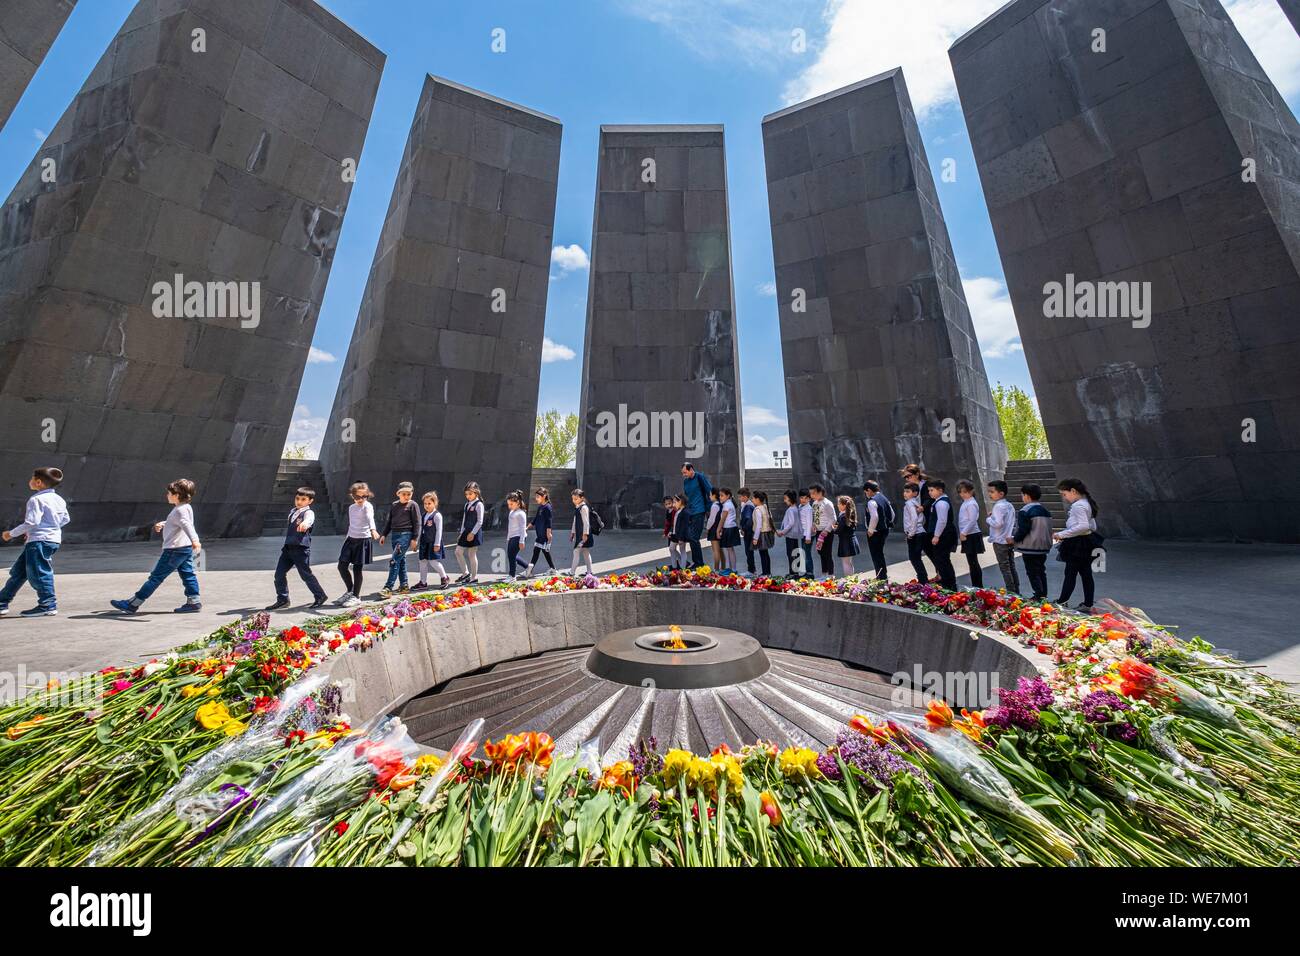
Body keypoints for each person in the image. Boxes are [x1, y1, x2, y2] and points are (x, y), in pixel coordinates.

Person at [111, 478, 202, 614]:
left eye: (169, 493)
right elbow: (180, 522)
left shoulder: (179, 510)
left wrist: (196, 540)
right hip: (185, 548)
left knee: (156, 577)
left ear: (176, 495)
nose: (167, 495)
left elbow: (186, 525)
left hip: (174, 550)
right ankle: (194, 601)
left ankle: (133, 603)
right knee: (188, 574)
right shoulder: (185, 507)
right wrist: (164, 523)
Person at [0, 466, 70, 618]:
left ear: (38, 482)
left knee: (40, 573)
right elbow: (65, 519)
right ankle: (2, 602)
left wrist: (10, 534)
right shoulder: (59, 499)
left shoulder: (36, 499)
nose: (29, 481)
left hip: (39, 541)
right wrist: (50, 528)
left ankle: (47, 604)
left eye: (31, 478)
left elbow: (32, 522)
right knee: (19, 572)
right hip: (50, 540)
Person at [266, 487, 328, 610]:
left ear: (310, 501)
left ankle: (320, 595)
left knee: (305, 574)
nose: (299, 501)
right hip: (288, 548)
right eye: (297, 498)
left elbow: (308, 521)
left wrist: (305, 524)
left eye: (303, 499)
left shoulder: (308, 513)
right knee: (279, 574)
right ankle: (283, 599)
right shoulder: (293, 511)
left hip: (300, 549)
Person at [1054, 477, 1102, 612]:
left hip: (1077, 544)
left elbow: (1083, 526)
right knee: (1086, 574)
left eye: (1064, 494)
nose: (1064, 497)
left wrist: (1062, 534)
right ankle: (1087, 603)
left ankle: (1062, 601)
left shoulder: (1078, 505)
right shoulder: (1086, 503)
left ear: (1073, 491)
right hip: (1085, 542)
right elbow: (1092, 526)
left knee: (1070, 573)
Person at [335, 482, 378, 605]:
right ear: (352, 496)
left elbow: (370, 518)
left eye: (364, 496)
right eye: (358, 497)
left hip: (363, 540)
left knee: (357, 569)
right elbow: (352, 524)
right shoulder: (351, 508)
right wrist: (347, 538)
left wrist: (373, 530)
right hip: (351, 539)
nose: (361, 499)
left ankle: (356, 596)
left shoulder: (367, 506)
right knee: (341, 566)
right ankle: (350, 590)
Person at [1013, 484, 1053, 600]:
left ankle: (1038, 595)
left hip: (1030, 547)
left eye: (1022, 495)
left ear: (1027, 496)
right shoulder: (1045, 510)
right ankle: (1043, 594)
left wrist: (1014, 539)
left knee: (1032, 572)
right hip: (1043, 546)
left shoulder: (1025, 511)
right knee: (1041, 571)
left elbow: (1023, 530)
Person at [379, 482, 420, 595]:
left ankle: (388, 588)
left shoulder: (413, 505)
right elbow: (389, 521)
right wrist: (384, 534)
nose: (407, 496)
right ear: (398, 494)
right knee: (401, 561)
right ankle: (404, 586)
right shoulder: (394, 505)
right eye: (404, 494)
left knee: (394, 560)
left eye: (409, 494)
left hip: (406, 535)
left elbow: (417, 523)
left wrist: (415, 539)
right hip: (395, 535)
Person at [986, 480, 1021, 595]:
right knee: (1011, 566)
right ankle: (1016, 590)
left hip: (1000, 540)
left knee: (1005, 567)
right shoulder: (1008, 505)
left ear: (1001, 493)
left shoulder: (998, 506)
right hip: (1008, 538)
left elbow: (998, 524)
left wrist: (988, 519)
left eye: (992, 492)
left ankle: (1011, 592)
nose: (990, 494)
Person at [923, 479, 958, 591]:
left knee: (942, 560)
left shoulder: (941, 503)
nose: (930, 492)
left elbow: (942, 521)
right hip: (943, 534)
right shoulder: (938, 501)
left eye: (932, 490)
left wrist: (936, 535)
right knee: (941, 560)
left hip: (944, 535)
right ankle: (947, 582)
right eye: (929, 490)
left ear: (940, 490)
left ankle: (949, 584)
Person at [680, 463, 713, 568]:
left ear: (691, 470)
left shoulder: (700, 477)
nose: (684, 475)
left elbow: (709, 490)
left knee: (694, 537)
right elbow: (687, 495)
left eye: (685, 472)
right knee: (691, 537)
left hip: (700, 510)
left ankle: (699, 563)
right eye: (682, 473)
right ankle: (697, 562)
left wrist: (712, 507)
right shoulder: (686, 481)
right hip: (691, 511)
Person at [416, 491, 449, 590]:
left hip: (433, 543)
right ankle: (423, 582)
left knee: (433, 561)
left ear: (435, 503)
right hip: (424, 542)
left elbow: (439, 530)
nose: (427, 506)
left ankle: (444, 577)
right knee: (422, 561)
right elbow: (420, 528)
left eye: (429, 503)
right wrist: (417, 540)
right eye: (425, 503)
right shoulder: (424, 515)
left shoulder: (437, 515)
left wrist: (437, 543)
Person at [956, 479, 985, 589]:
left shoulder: (971, 503)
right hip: (968, 534)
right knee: (971, 561)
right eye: (960, 492)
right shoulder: (966, 502)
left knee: (973, 562)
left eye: (965, 492)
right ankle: (976, 585)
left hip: (971, 534)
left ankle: (977, 585)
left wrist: (964, 533)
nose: (962, 494)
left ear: (971, 491)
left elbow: (973, 520)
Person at [861, 480, 893, 581]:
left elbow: (874, 517)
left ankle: (881, 577)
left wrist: (870, 530)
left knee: (876, 555)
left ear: (869, 490)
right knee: (880, 553)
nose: (866, 494)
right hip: (884, 529)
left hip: (875, 532)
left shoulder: (872, 501)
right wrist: (888, 523)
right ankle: (883, 576)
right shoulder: (884, 498)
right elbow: (892, 514)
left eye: (866, 492)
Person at [455, 481, 485, 585]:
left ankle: (474, 577)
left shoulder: (479, 504)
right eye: (466, 494)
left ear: (476, 493)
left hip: (475, 532)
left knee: (472, 554)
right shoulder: (467, 504)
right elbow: (464, 519)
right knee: (458, 552)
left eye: (470, 494)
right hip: (466, 531)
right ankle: (465, 573)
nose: (468, 496)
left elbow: (480, 521)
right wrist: (462, 532)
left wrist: (472, 533)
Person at [523, 488, 555, 578]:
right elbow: (535, 519)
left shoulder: (547, 507)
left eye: (538, 496)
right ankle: (552, 568)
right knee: (542, 552)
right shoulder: (541, 507)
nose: (536, 498)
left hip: (544, 535)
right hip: (540, 534)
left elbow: (549, 522)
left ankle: (529, 570)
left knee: (538, 551)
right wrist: (527, 527)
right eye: (536, 496)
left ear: (544, 496)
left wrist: (549, 534)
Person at [901, 482, 929, 584]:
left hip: (916, 533)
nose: (905, 493)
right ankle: (923, 579)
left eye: (908, 491)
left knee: (914, 558)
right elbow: (922, 518)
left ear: (915, 493)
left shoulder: (909, 503)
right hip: (920, 531)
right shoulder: (916, 503)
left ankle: (923, 581)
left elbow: (914, 518)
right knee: (917, 558)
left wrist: (911, 533)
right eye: (904, 491)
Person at [809, 484, 837, 579]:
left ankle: (831, 574)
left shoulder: (827, 503)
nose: (812, 495)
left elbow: (833, 518)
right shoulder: (814, 503)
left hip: (827, 532)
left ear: (820, 492)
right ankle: (824, 573)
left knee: (827, 552)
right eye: (811, 493)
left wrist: (827, 530)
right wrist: (813, 524)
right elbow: (815, 516)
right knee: (821, 552)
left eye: (814, 493)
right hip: (818, 531)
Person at [569, 488, 595, 576]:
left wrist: (585, 534)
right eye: (573, 499)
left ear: (582, 498)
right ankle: (589, 572)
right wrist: (573, 533)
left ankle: (572, 572)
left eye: (576, 499)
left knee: (576, 551)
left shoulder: (583, 508)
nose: (574, 501)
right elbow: (574, 521)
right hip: (580, 534)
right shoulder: (578, 507)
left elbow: (586, 522)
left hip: (583, 535)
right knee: (585, 552)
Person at [777, 490, 802, 577]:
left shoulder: (791, 510)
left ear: (791, 499)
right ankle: (795, 572)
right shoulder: (796, 508)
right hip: (794, 535)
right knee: (795, 552)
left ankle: (793, 573)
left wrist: (782, 532)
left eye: (785, 499)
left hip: (790, 534)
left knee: (790, 553)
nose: (784, 501)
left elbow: (791, 523)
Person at [835, 495, 860, 577]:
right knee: (849, 562)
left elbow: (839, 530)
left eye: (839, 503)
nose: (837, 505)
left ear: (844, 505)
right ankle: (851, 579)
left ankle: (848, 580)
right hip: (851, 540)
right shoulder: (850, 514)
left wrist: (833, 528)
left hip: (845, 542)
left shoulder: (843, 516)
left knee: (845, 562)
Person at [505, 490, 528, 580]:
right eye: (508, 504)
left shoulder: (521, 513)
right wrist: (508, 538)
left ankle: (512, 576)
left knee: (511, 556)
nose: (509, 506)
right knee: (511, 555)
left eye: (511, 504)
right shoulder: (512, 512)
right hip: (512, 537)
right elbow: (510, 527)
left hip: (518, 537)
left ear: (517, 502)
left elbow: (523, 528)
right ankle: (527, 567)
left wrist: (521, 541)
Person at [751, 491, 774, 576]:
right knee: (765, 554)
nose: (752, 499)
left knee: (763, 554)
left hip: (761, 534)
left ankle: (765, 572)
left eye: (753, 498)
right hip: (767, 532)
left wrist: (755, 538)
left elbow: (758, 525)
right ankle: (768, 572)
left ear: (757, 499)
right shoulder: (765, 507)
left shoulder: (757, 509)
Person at [718, 488, 740, 572]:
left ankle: (733, 569)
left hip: (729, 528)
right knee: (729, 549)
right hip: (730, 528)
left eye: (722, 496)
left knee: (730, 549)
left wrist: (718, 530)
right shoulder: (728, 503)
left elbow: (723, 519)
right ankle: (731, 568)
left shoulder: (727, 505)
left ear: (728, 496)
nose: (720, 497)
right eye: (719, 495)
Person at [669, 494, 690, 570]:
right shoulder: (678, 511)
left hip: (681, 535)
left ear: (680, 502)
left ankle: (683, 568)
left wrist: (681, 538)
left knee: (682, 550)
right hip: (675, 534)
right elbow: (675, 523)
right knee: (671, 548)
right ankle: (675, 566)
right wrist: (671, 531)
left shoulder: (685, 512)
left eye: (675, 502)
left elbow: (684, 526)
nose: (674, 504)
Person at [738, 488, 756, 575]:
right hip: (749, 531)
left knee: (748, 551)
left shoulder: (748, 506)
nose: (739, 498)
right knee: (749, 550)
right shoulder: (748, 505)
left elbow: (748, 519)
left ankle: (751, 570)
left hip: (748, 532)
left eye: (740, 497)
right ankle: (752, 569)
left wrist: (744, 528)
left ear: (745, 497)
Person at [705, 489, 723, 569]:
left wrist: (707, 528)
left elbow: (711, 519)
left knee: (716, 550)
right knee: (720, 550)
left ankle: (716, 569)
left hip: (714, 529)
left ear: (714, 495)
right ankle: (723, 567)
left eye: (710, 494)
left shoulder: (714, 506)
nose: (709, 496)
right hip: (718, 528)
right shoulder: (720, 504)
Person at [798, 488, 814, 576]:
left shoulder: (808, 509)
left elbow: (809, 523)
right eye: (801, 498)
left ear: (809, 499)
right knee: (804, 553)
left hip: (807, 535)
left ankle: (810, 573)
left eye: (805, 498)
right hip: (802, 534)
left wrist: (808, 537)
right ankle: (805, 572)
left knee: (807, 554)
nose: (803, 500)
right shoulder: (800, 507)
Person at [661, 495, 676, 567]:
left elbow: (674, 522)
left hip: (674, 531)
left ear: (673, 502)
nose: (668, 505)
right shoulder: (668, 512)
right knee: (671, 548)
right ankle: (674, 565)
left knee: (672, 548)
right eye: (666, 504)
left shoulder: (674, 511)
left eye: (669, 503)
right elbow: (667, 523)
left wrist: (671, 531)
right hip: (670, 532)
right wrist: (665, 532)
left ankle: (681, 562)